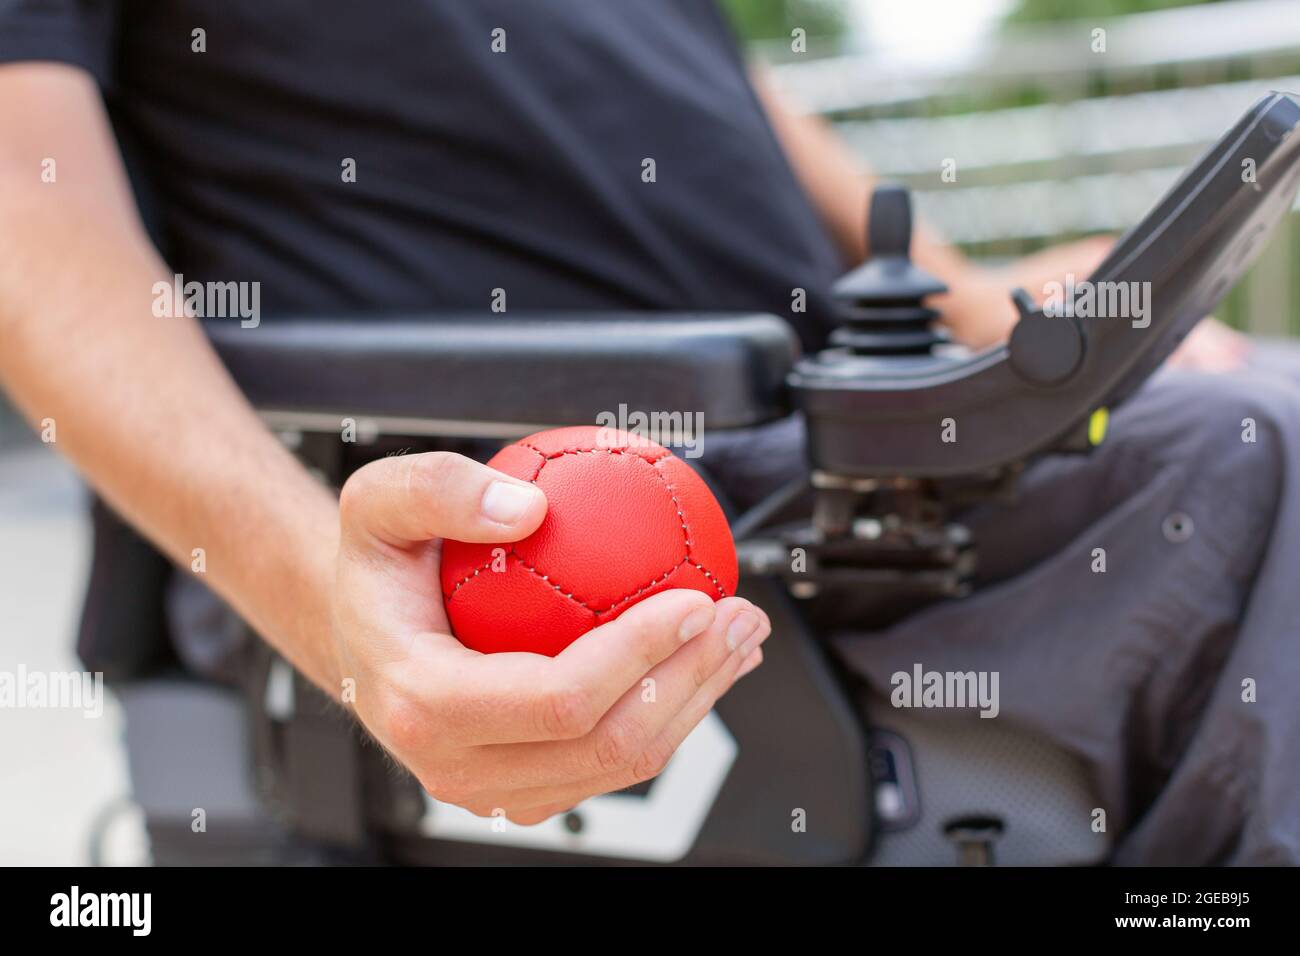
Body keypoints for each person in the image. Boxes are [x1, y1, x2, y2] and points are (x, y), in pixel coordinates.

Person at [0, 1, 1295, 863]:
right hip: (526, 474)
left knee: (1244, 389)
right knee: (1252, 454)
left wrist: (986, 325)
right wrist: (321, 601)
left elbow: (734, 103)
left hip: (819, 407)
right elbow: (22, 192)